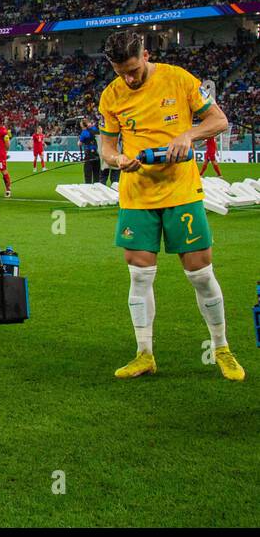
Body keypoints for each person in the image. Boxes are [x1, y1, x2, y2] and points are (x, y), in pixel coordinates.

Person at [97, 30, 243, 382]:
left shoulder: (179, 79)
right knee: (139, 275)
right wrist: (119, 160)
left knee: (200, 274)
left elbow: (219, 120)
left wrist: (187, 135)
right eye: (121, 73)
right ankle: (144, 354)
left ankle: (222, 348)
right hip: (137, 195)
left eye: (133, 70)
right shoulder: (111, 95)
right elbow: (106, 147)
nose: (129, 79)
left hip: (182, 192)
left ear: (145, 55)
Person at [79, 119, 101, 184]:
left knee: (88, 171)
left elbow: (79, 143)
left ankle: (88, 186)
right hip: (97, 152)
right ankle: (97, 186)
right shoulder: (95, 129)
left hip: (89, 153)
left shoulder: (84, 132)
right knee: (96, 171)